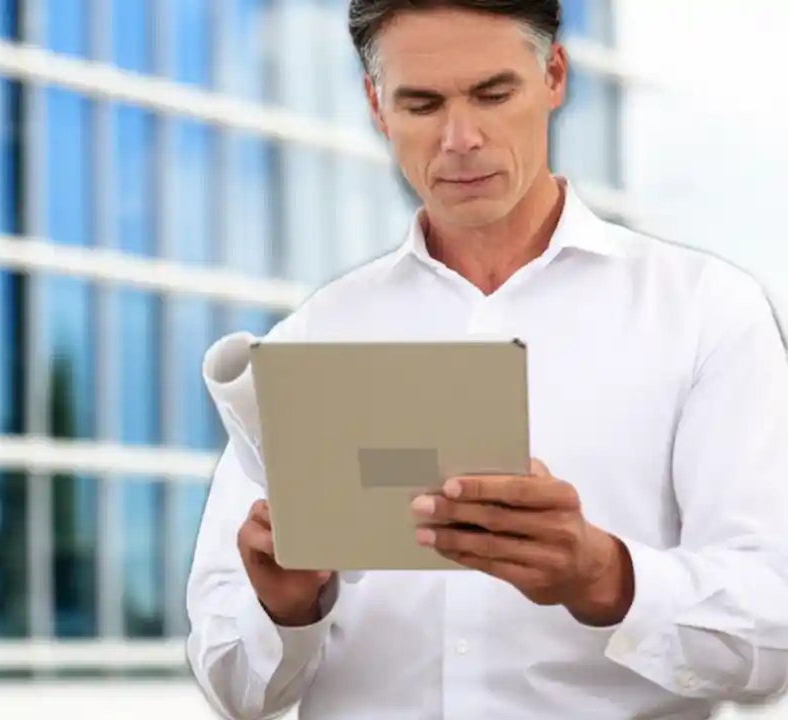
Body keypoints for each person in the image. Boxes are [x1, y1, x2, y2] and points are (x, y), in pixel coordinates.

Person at [184, 1, 788, 718]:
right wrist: (283, 608)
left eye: (493, 95)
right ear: (377, 106)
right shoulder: (312, 338)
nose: (460, 139)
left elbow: (771, 638)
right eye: (422, 103)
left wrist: (605, 577)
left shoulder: (704, 314)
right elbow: (232, 687)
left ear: (554, 75)